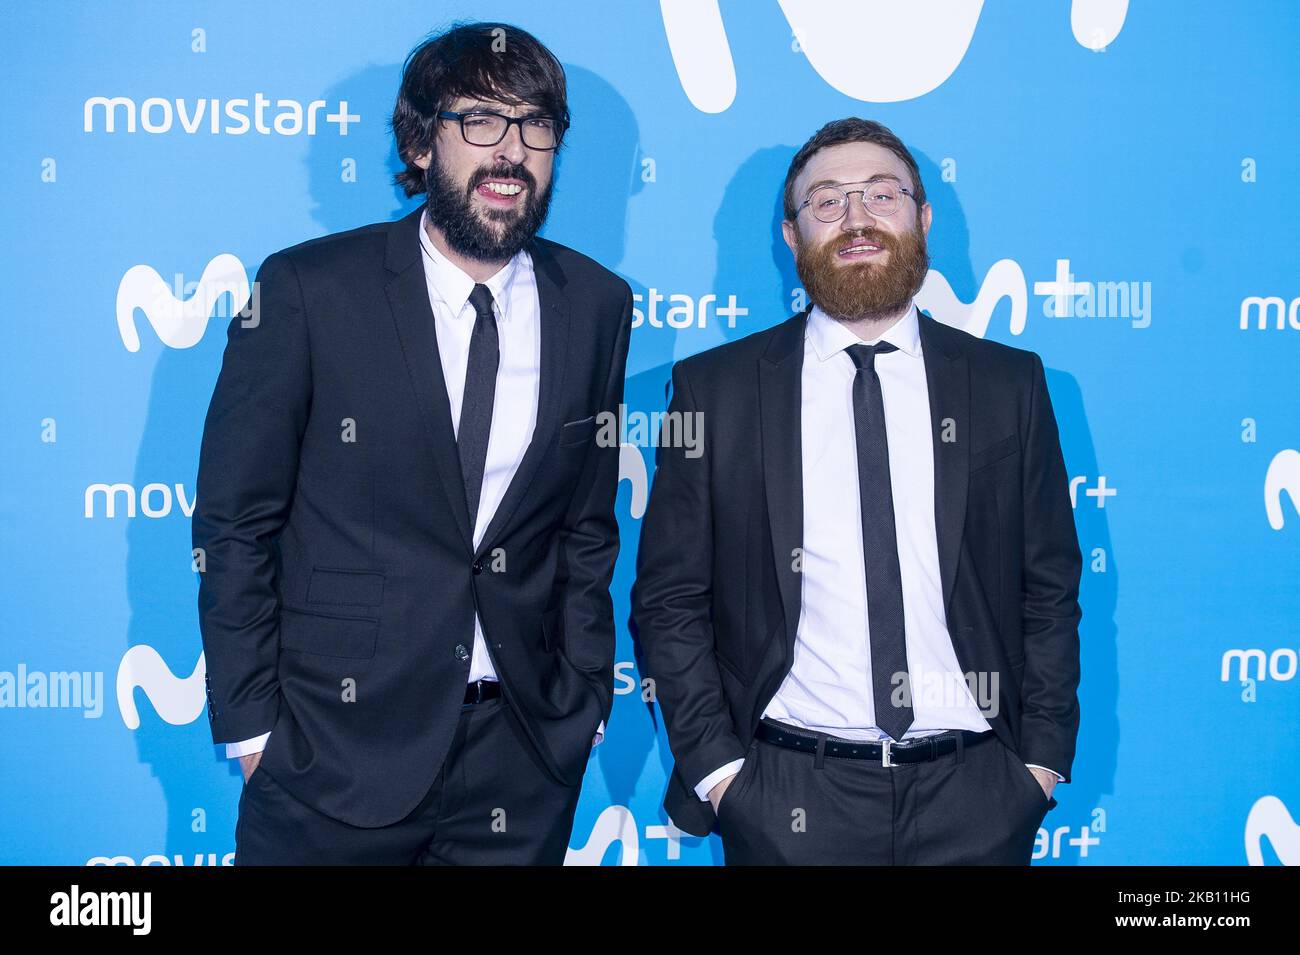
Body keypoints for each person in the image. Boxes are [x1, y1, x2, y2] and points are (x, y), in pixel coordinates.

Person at [194, 21, 632, 864]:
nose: (510, 151)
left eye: (535, 124)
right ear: (420, 142)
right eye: (479, 120)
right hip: (331, 752)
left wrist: (583, 701)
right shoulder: (308, 290)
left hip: (522, 757)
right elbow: (235, 522)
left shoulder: (598, 303)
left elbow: (586, 525)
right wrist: (253, 728)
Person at [632, 118, 1082, 864]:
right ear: (792, 234)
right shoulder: (716, 392)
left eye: (881, 194)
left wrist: (1036, 765)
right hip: (788, 797)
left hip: (979, 792)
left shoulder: (1009, 385)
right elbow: (670, 597)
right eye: (828, 201)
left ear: (923, 216)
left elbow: (1049, 587)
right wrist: (722, 776)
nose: (858, 218)